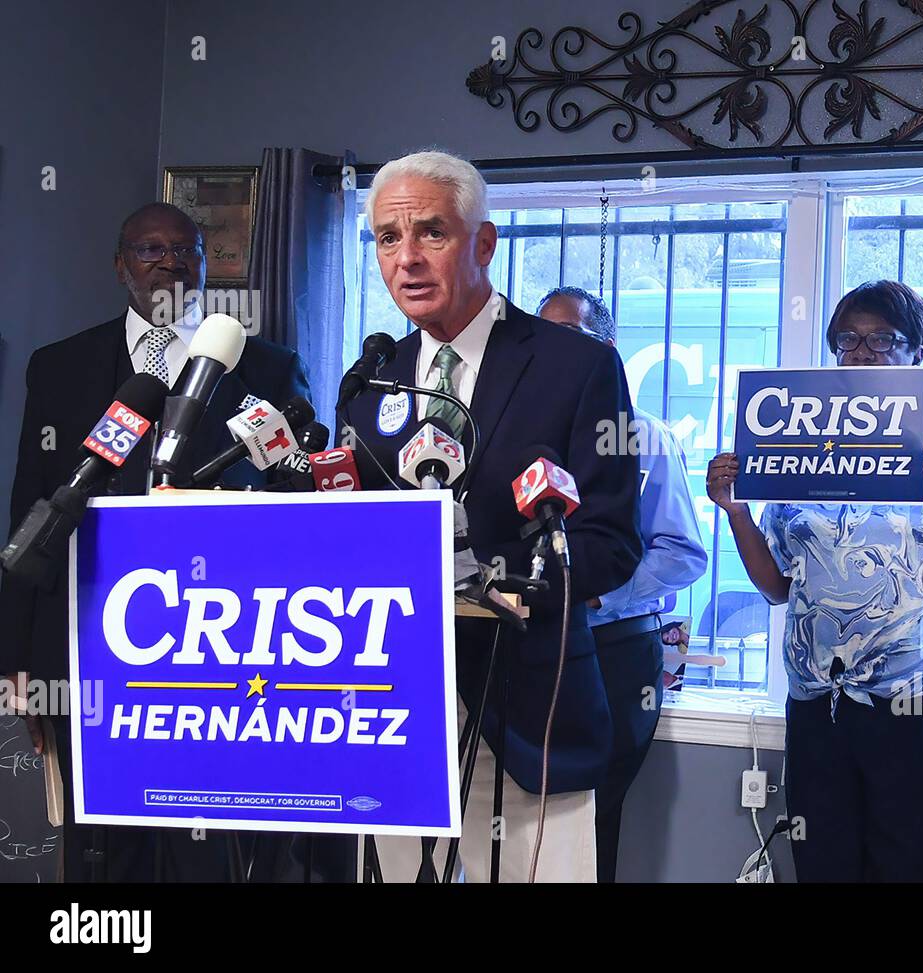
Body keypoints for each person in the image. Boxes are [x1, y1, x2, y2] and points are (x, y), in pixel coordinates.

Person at [339, 151, 642, 882]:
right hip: (396, 709)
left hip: (530, 710)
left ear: (483, 243)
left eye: (431, 233)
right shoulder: (368, 380)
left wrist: (506, 585)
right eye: (386, 238)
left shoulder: (577, 367)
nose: (405, 258)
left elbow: (610, 540)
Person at [0, 201, 311, 882]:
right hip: (87, 648)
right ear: (120, 266)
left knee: (209, 848)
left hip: (222, 651)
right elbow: (32, 510)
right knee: (104, 850)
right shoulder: (58, 367)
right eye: (149, 250)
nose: (168, 261)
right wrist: (17, 655)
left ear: (204, 263)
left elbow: (298, 512)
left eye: (184, 249)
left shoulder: (266, 367)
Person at [707, 280, 923, 882]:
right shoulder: (800, 440)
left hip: (916, 704)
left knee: (902, 868)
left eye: (882, 341)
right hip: (819, 704)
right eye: (847, 340)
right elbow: (775, 586)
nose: (861, 355)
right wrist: (735, 510)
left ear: (916, 353)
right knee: (822, 868)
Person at [536, 285, 707, 882]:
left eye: (571, 336)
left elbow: (684, 554)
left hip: (613, 652)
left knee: (590, 820)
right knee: (528, 820)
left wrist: (598, 593)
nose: (553, 349)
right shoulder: (523, 435)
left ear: (606, 350)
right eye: (543, 334)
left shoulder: (644, 436)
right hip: (532, 648)